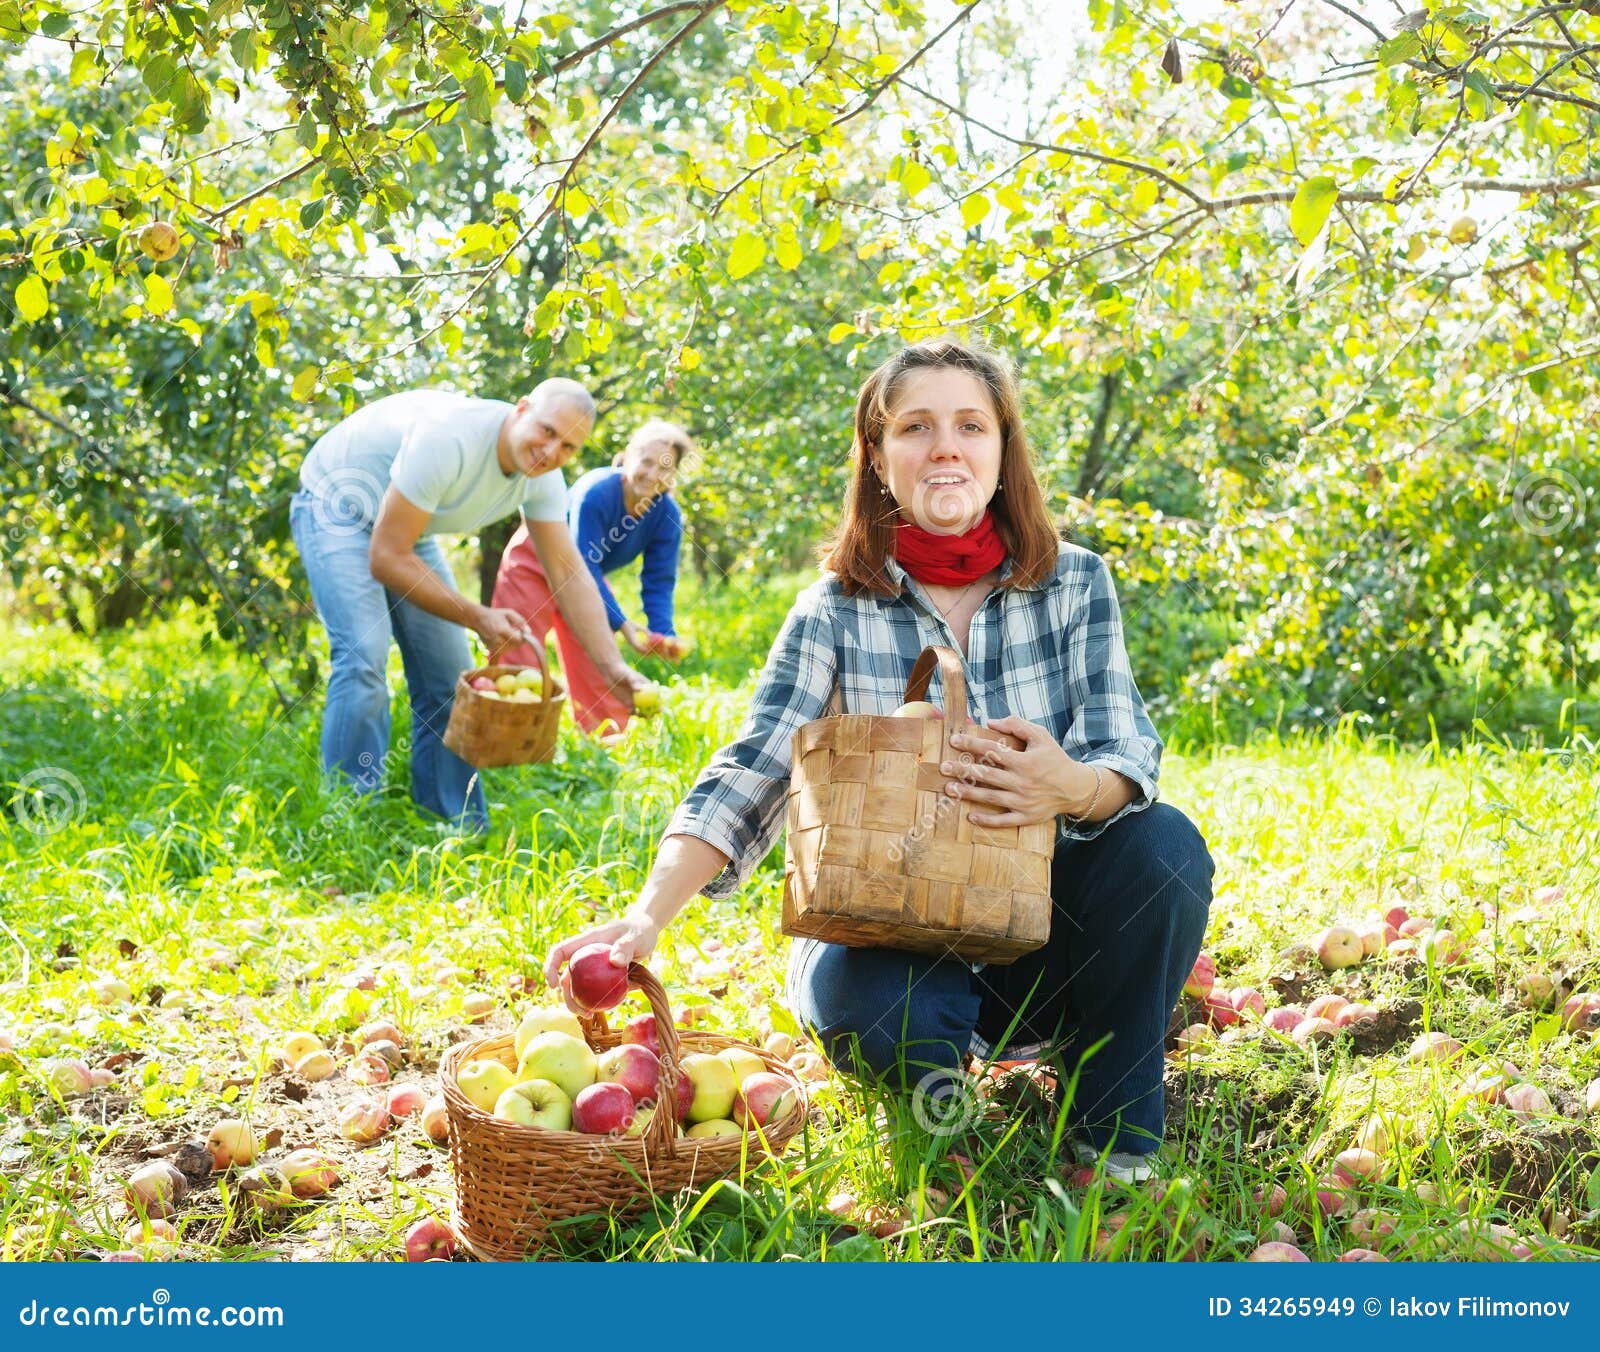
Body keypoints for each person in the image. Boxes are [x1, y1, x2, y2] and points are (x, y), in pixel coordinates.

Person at [542, 339, 1213, 1181]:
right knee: (876, 1007)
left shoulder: (1075, 583)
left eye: (971, 425)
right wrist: (646, 916)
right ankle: (941, 1098)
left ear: (1003, 450)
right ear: (877, 454)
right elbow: (754, 769)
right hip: (890, 935)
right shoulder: (832, 609)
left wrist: (1067, 785)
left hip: (1042, 930)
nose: (945, 447)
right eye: (915, 427)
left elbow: (1127, 749)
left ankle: (1111, 1122)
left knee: (1166, 849)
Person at [289, 380, 649, 830]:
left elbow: (568, 575)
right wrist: (476, 616)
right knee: (364, 659)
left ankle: (453, 824)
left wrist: (613, 669)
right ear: (520, 409)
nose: (551, 450)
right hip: (337, 506)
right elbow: (385, 558)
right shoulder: (449, 438)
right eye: (547, 430)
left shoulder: (543, 479)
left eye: (568, 447)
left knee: (450, 675)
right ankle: (348, 818)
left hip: (406, 530)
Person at [492, 419, 693, 736]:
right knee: (519, 650)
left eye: (665, 468)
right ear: (627, 457)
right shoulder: (596, 492)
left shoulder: (667, 515)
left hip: (586, 578)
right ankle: (509, 738)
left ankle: (602, 747)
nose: (653, 474)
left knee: (598, 662)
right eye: (646, 461)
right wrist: (623, 623)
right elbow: (581, 564)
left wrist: (661, 632)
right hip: (535, 562)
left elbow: (659, 579)